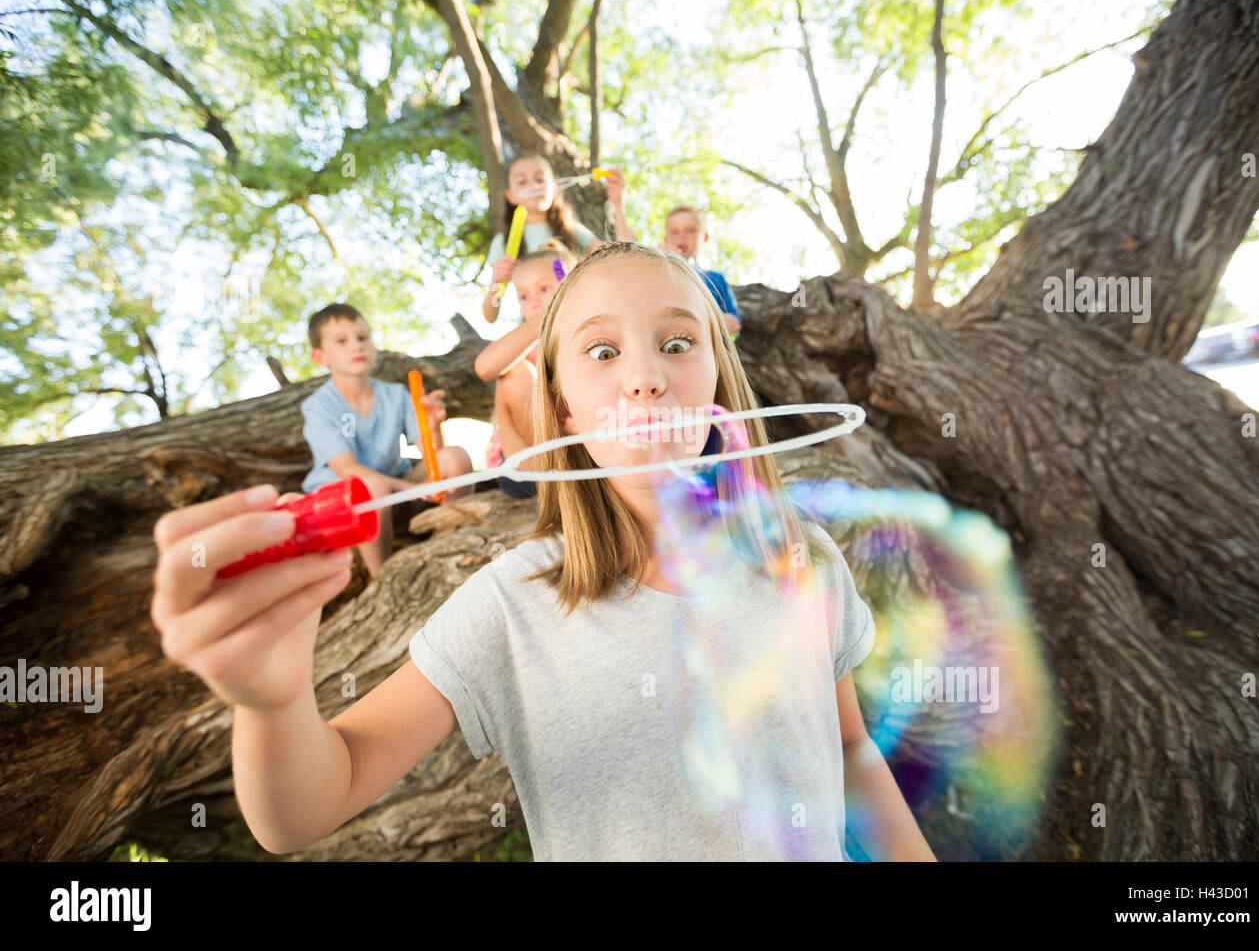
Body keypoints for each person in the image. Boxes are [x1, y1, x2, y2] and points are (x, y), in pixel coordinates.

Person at [149, 243, 936, 862]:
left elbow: (848, 745)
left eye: (675, 342)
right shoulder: (513, 602)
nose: (645, 379)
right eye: (602, 352)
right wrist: (273, 701)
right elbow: (306, 810)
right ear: (559, 407)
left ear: (719, 385)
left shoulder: (806, 561)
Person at [299, 303, 474, 576]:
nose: (356, 346)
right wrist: (408, 489)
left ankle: (456, 540)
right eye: (342, 341)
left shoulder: (396, 394)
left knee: (455, 457)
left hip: (393, 489)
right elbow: (347, 470)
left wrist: (433, 427)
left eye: (363, 338)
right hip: (349, 501)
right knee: (370, 486)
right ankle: (380, 578)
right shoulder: (319, 406)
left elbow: (433, 456)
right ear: (320, 356)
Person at [475, 240, 578, 500]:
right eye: (523, 296)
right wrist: (545, 318)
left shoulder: (589, 340)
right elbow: (485, 368)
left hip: (576, 456)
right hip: (524, 471)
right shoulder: (525, 345)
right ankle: (550, 486)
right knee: (516, 374)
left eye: (545, 289)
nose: (534, 301)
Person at [481, 153, 632, 323]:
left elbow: (620, 257)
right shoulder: (505, 242)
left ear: (554, 188)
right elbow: (490, 317)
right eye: (522, 182)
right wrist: (496, 282)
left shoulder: (571, 230)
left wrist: (617, 204)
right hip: (536, 328)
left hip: (577, 317)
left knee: (558, 266)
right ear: (510, 196)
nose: (533, 185)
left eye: (540, 179)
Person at [662, 205, 742, 339]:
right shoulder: (660, 273)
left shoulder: (716, 279)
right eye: (675, 232)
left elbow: (734, 321)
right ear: (666, 240)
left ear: (704, 237)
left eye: (691, 230)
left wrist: (728, 322)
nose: (682, 236)